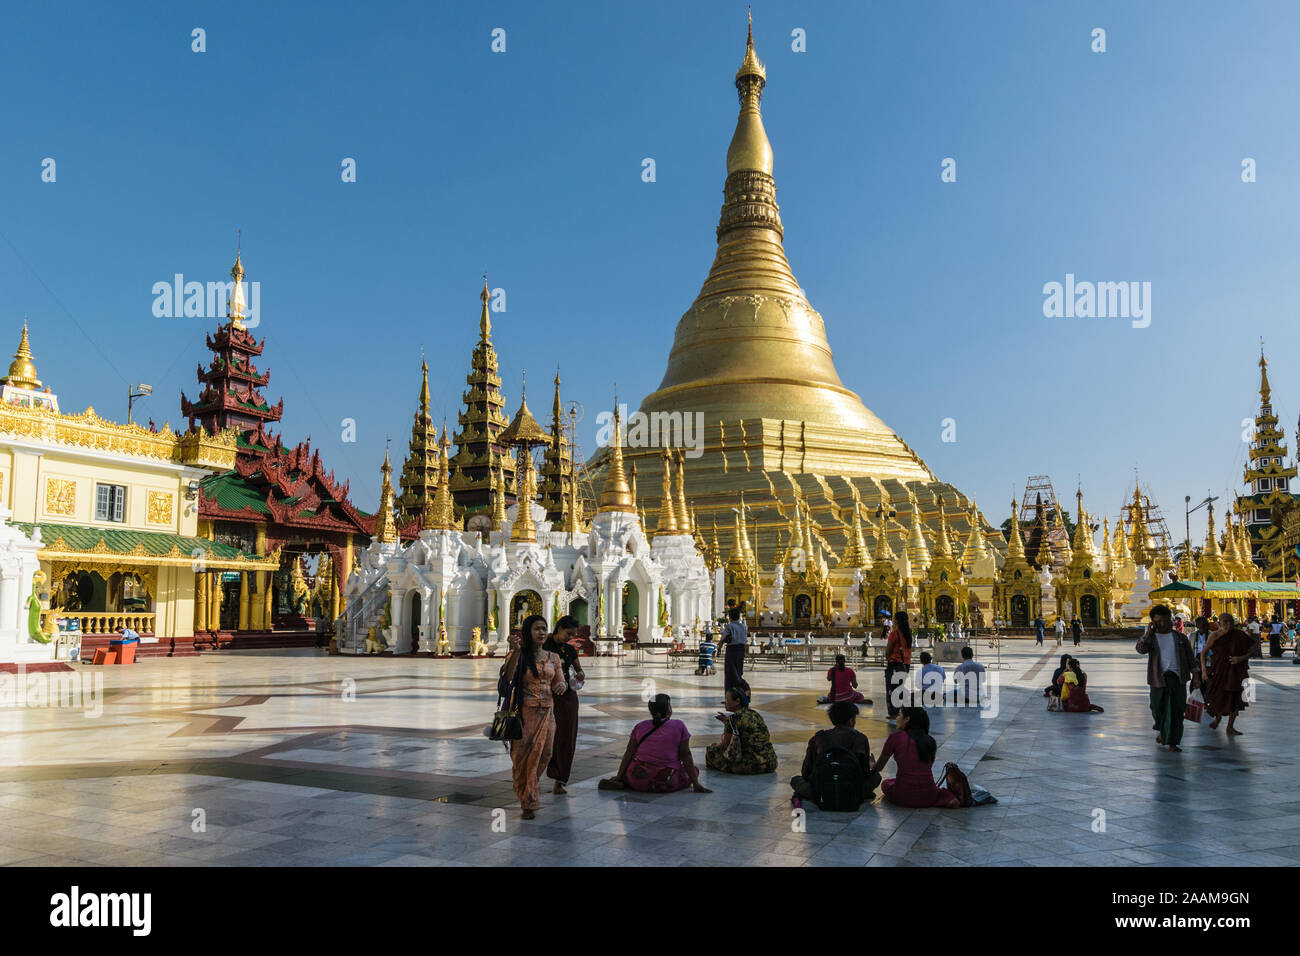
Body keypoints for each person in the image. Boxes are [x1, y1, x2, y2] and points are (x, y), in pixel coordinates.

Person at [500, 614, 567, 818]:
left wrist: (562, 685)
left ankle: (528, 789)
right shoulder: (519, 655)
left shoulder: (553, 657)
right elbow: (508, 678)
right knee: (523, 756)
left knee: (544, 754)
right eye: (537, 628)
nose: (541, 632)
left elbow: (560, 680)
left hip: (548, 711)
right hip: (524, 713)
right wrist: (515, 651)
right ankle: (528, 800)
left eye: (544, 628)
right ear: (528, 632)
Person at [598, 694, 711, 793]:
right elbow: (685, 755)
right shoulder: (679, 726)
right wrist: (695, 783)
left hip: (637, 779)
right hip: (665, 782)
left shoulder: (640, 726)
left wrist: (619, 776)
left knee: (633, 772)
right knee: (694, 771)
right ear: (669, 710)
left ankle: (625, 781)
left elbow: (629, 752)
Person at [790, 701, 881, 809]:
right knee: (876, 777)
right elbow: (865, 774)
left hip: (822, 792)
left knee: (795, 780)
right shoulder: (860, 738)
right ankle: (861, 794)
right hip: (852, 791)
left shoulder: (818, 738)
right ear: (851, 720)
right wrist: (872, 767)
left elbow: (805, 773)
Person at [871, 706, 959, 808]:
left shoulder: (894, 738)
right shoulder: (930, 741)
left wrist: (872, 764)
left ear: (907, 719)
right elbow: (924, 768)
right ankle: (947, 800)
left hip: (902, 796)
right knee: (939, 791)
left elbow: (879, 768)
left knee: (886, 783)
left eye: (899, 715)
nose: (896, 718)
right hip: (929, 795)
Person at [1136, 604, 1194, 752]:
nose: (1163, 624)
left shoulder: (1180, 637)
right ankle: (1163, 730)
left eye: (1165, 620)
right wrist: (1148, 633)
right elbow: (1140, 649)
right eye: (1158, 621)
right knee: (1157, 709)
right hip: (1158, 679)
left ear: (1171, 620)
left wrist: (1198, 676)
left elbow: (1190, 659)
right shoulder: (1151, 639)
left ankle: (1173, 742)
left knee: (1176, 711)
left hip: (1177, 678)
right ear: (1153, 622)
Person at [543, 615, 584, 795]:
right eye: (568, 633)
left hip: (567, 696)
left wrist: (581, 674)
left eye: (573, 635)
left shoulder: (569, 649)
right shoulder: (543, 646)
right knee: (542, 737)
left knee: (567, 736)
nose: (570, 637)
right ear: (559, 628)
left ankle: (560, 779)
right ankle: (530, 780)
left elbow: (578, 668)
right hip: (544, 695)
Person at [705, 686, 778, 774]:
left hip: (753, 765)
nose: (725, 703)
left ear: (737, 701)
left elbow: (725, 745)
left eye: (727, 700)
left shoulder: (733, 718)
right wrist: (726, 722)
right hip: (771, 762)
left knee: (711, 752)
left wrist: (715, 745)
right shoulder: (755, 714)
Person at [1202, 612, 1252, 736]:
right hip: (1219, 671)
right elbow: (1203, 653)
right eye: (1225, 622)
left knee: (1235, 698)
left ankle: (1230, 726)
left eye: (1230, 622)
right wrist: (1203, 671)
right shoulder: (1214, 635)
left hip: (1236, 671)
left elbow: (1251, 651)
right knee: (1218, 696)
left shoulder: (1239, 634)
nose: (1228, 625)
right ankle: (1218, 718)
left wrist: (1240, 659)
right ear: (1219, 623)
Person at [885, 610, 913, 722]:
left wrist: (890, 660)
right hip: (906, 664)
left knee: (891, 690)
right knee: (898, 688)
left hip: (895, 664)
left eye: (894, 618)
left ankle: (894, 712)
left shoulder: (894, 634)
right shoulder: (908, 633)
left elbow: (888, 651)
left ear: (897, 620)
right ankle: (901, 710)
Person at [721, 605, 749, 696]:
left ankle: (730, 695)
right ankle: (738, 694)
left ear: (729, 617)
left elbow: (724, 638)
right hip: (741, 650)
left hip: (732, 650)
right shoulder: (743, 626)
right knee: (738, 671)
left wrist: (718, 648)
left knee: (730, 673)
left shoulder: (729, 626)